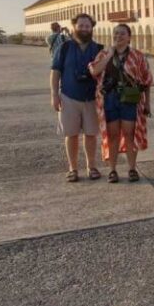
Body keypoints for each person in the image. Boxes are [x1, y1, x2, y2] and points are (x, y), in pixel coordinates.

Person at [88, 24, 152, 183]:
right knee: (113, 135)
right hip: (109, 99)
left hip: (130, 100)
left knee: (130, 134)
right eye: (116, 33)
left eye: (122, 34)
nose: (118, 36)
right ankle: (113, 170)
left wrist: (147, 103)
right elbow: (94, 71)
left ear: (129, 37)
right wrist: (109, 54)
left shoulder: (137, 55)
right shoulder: (104, 53)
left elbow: (146, 80)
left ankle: (132, 168)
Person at [50, 14, 103, 182]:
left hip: (92, 98)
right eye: (81, 25)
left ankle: (91, 166)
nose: (84, 29)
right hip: (68, 97)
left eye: (87, 26)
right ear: (74, 27)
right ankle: (73, 168)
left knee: (91, 134)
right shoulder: (64, 47)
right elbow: (55, 71)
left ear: (92, 28)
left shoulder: (99, 49)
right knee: (71, 134)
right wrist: (54, 94)